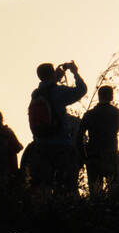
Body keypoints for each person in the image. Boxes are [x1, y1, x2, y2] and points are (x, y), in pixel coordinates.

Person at [27, 60, 87, 197]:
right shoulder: (59, 91)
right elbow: (82, 90)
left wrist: (56, 77)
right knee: (66, 185)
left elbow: (48, 87)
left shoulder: (35, 94)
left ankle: (45, 211)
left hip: (40, 145)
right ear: (52, 73)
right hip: (61, 145)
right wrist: (74, 72)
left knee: (44, 186)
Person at [80, 86, 119, 196]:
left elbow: (79, 135)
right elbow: (116, 128)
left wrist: (83, 154)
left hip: (94, 155)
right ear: (111, 96)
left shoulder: (89, 114)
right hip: (111, 153)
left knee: (95, 191)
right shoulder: (116, 113)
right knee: (115, 190)